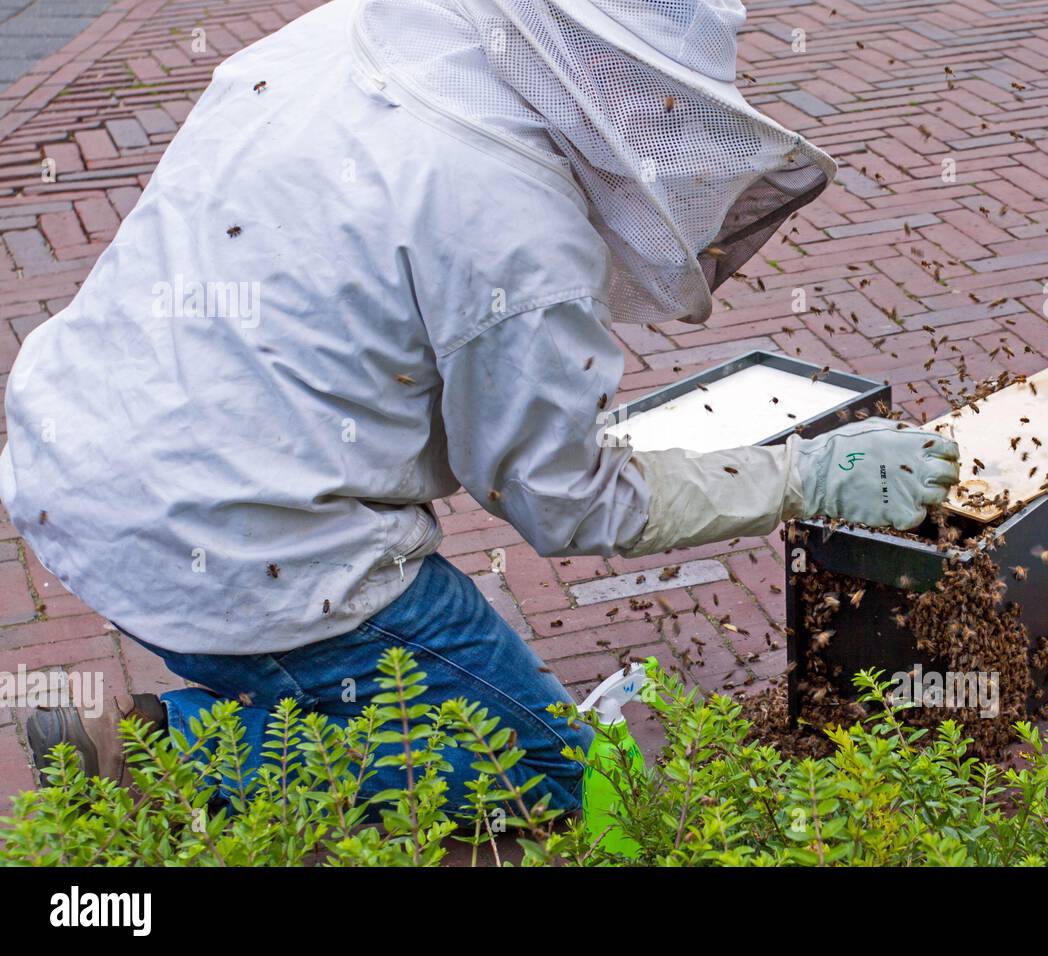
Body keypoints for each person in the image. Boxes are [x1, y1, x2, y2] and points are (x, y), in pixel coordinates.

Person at [6, 0, 958, 813]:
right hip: (253, 549)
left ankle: (227, 694)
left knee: (389, 688)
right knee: (540, 773)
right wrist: (803, 473)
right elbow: (569, 500)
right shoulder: (512, 230)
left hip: (71, 464)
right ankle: (157, 746)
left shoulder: (343, 33)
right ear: (607, 66)